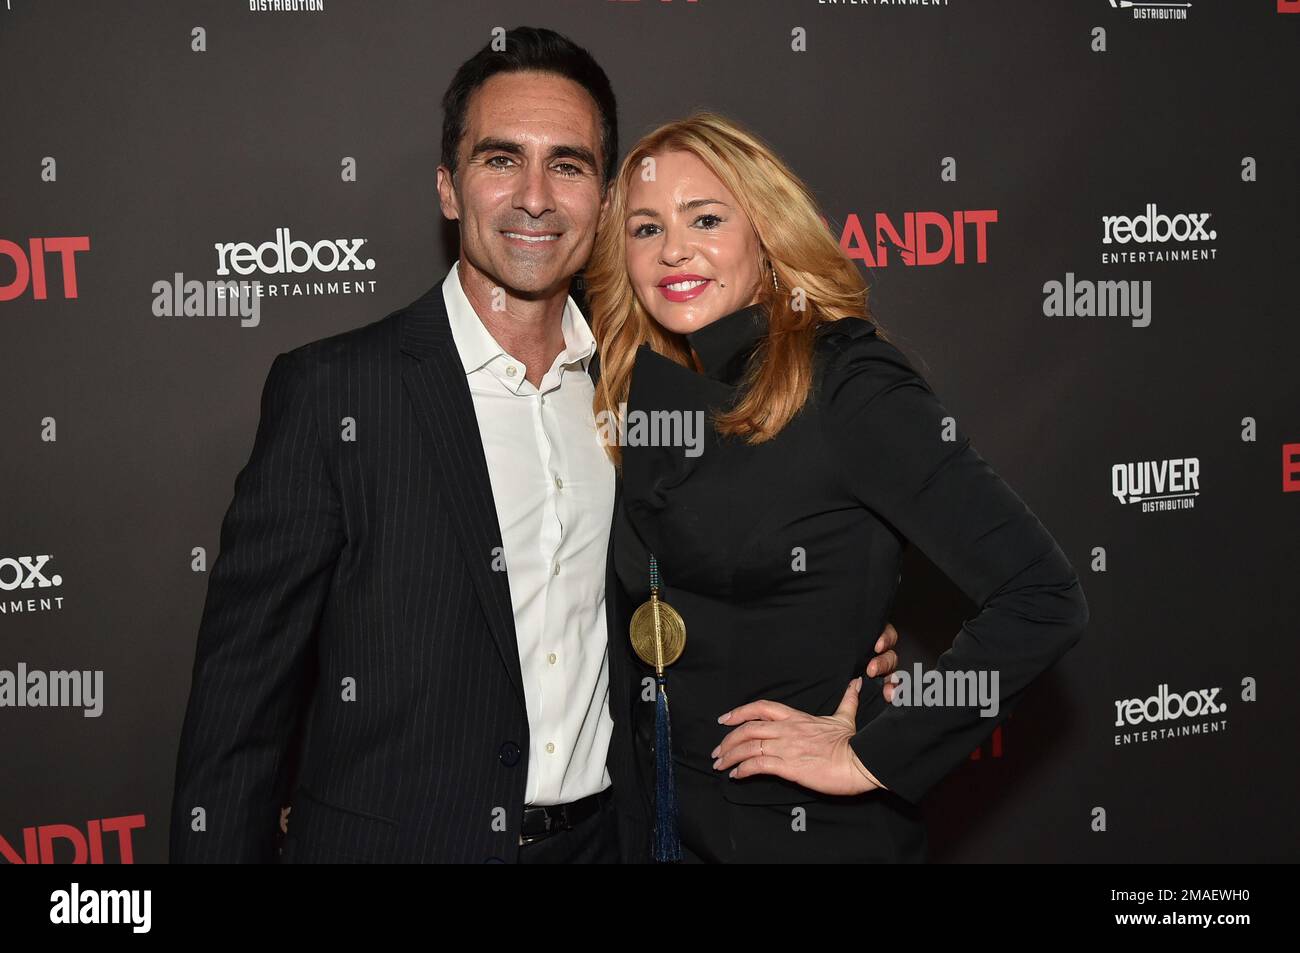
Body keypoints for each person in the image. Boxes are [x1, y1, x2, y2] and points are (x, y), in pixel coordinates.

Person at [168, 27, 900, 864]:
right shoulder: (335, 391)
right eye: (499, 159)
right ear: (449, 188)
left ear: (606, 196)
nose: (535, 197)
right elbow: (239, 709)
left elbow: (724, 577)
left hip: (606, 845)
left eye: (569, 164)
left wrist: (836, 631)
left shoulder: (649, 394)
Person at [585, 112, 1090, 863]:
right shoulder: (636, 392)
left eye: (707, 218)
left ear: (768, 235)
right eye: (646, 228)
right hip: (663, 823)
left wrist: (873, 754)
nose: (674, 250)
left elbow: (1042, 597)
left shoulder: (849, 384)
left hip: (807, 835)